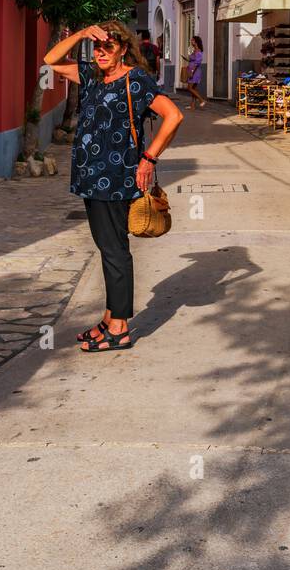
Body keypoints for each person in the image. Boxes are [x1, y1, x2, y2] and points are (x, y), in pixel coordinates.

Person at [44, 21, 183, 352]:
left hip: (117, 177)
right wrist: (79, 34)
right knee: (108, 247)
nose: (101, 52)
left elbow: (174, 116)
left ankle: (119, 328)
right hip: (91, 177)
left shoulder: (136, 80)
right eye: (97, 47)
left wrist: (149, 158)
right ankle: (110, 317)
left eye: (108, 46)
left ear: (123, 48)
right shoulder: (92, 76)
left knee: (115, 250)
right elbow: (50, 60)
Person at [181, 35, 206, 111]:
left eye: (192, 40)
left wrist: (192, 72)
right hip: (193, 70)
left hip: (195, 72)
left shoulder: (198, 51)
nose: (191, 42)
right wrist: (186, 59)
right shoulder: (194, 50)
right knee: (194, 88)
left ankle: (202, 100)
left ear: (196, 42)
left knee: (190, 88)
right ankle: (192, 106)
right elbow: (192, 61)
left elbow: (196, 63)